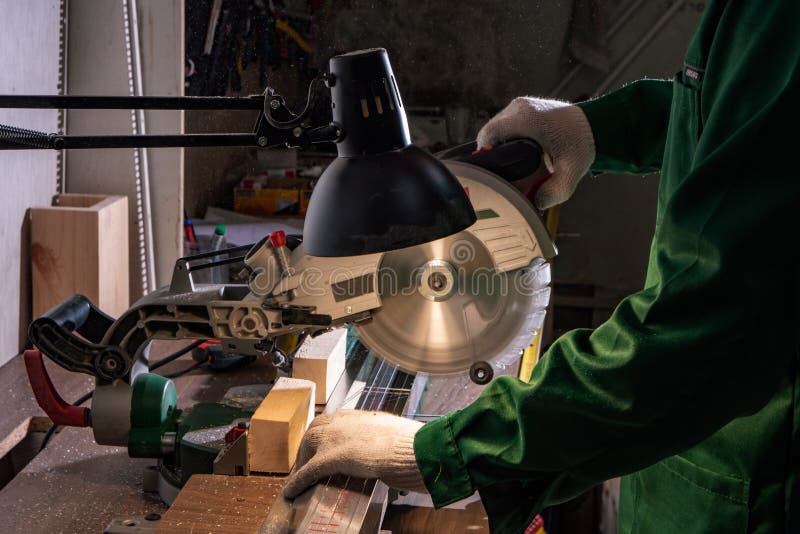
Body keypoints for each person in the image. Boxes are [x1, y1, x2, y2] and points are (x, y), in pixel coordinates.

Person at [283, 1, 800, 532]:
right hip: (691, 463)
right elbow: (734, 112)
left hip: (753, 486)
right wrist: (595, 128)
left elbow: (709, 331)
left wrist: (443, 450)